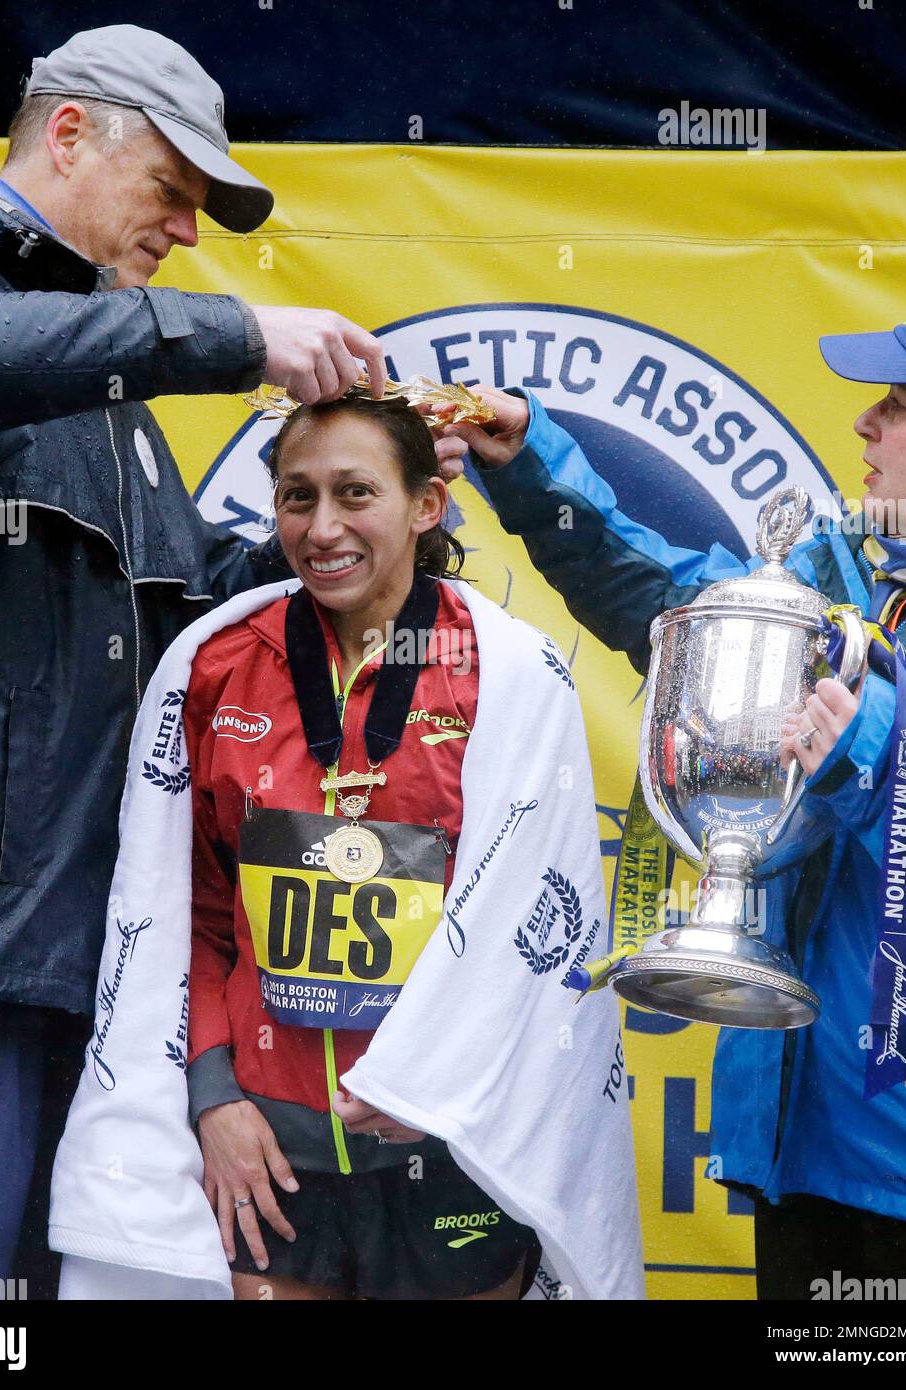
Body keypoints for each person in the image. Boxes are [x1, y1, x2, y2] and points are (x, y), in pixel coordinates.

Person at [0, 23, 393, 1301]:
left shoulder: (109, 395)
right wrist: (232, 337)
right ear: (65, 134)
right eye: (171, 191)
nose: (189, 233)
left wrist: (366, 528)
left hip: (89, 965)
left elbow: (201, 602)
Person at [436, 292, 906, 1299]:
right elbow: (682, 611)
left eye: (900, 401)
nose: (863, 423)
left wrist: (860, 743)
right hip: (803, 1146)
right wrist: (530, 461)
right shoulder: (840, 574)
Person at [182, 394, 543, 1299]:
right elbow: (187, 909)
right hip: (268, 1144)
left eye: (355, 493)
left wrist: (443, 1075)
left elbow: (540, 927)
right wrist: (214, 1097)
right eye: (297, 497)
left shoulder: (506, 671)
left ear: (427, 505)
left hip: (450, 1136)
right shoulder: (219, 665)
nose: (323, 527)